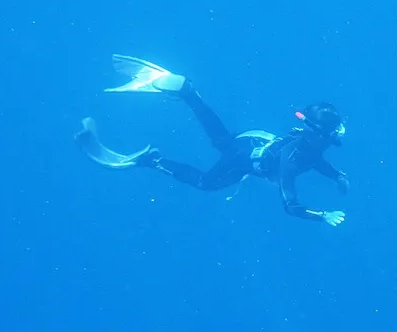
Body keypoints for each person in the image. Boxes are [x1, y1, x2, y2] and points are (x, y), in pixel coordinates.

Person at [76, 55, 350, 227]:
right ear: (318, 134)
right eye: (333, 134)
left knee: (223, 140)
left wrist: (337, 175)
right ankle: (152, 160)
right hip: (246, 160)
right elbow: (291, 206)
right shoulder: (292, 160)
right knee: (207, 183)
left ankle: (189, 93)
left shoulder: (309, 146)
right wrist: (323, 215)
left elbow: (316, 161)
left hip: (255, 140)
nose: (335, 139)